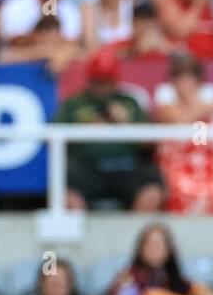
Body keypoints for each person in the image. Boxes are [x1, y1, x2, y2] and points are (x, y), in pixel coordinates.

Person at [54, 52, 160, 212]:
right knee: (65, 184)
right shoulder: (75, 103)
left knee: (151, 182)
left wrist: (125, 124)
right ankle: (79, 236)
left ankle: (139, 234)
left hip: (126, 166)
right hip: (86, 168)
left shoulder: (128, 102)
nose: (102, 87)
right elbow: (54, 136)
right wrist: (85, 130)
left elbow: (149, 143)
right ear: (90, 80)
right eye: (98, 81)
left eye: (106, 81)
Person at [150, 52, 213, 215]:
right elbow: (181, 121)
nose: (184, 85)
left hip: (211, 169)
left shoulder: (212, 111)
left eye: (189, 79)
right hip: (178, 169)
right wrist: (208, 108)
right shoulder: (167, 109)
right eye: (180, 79)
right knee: (184, 190)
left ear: (198, 82)